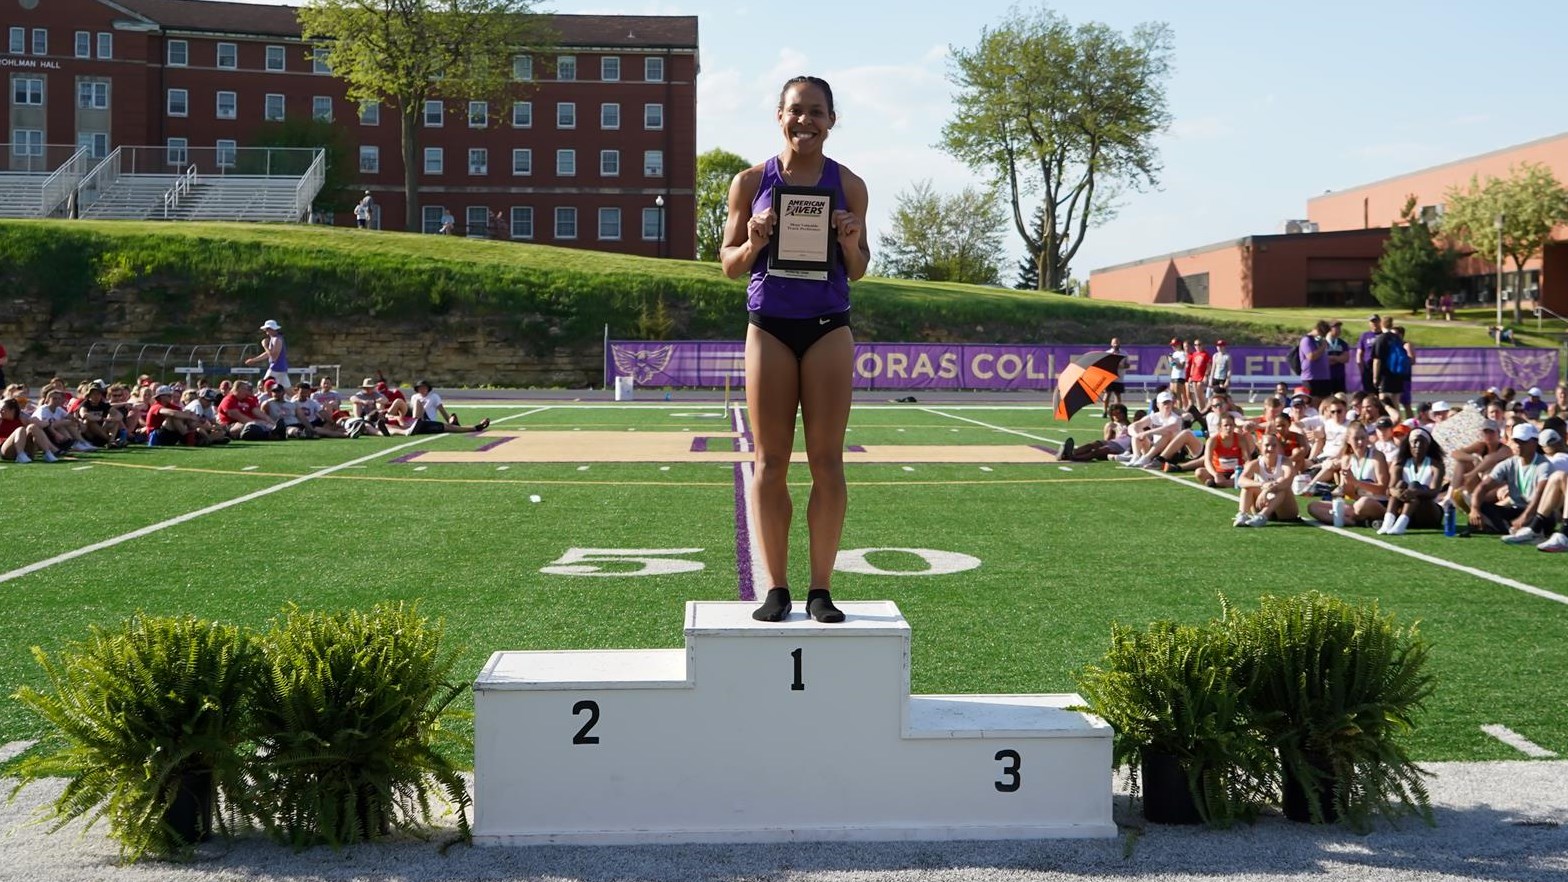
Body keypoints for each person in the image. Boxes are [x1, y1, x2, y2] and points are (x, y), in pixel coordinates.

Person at [719, 75, 869, 624]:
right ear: (778, 116)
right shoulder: (750, 181)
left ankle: (821, 589)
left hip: (828, 327)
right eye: (795, 111)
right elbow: (729, 265)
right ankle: (776, 587)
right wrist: (754, 240)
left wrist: (850, 242)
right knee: (770, 460)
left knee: (828, 460)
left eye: (815, 112)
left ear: (832, 120)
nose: (804, 121)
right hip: (770, 327)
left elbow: (859, 267)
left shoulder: (850, 184)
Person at [1469, 423, 1551, 536]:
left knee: (1544, 517)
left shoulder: (1544, 465)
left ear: (1535, 442)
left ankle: (1503, 527)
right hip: (1515, 509)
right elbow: (1483, 486)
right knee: (1482, 506)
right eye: (1516, 441)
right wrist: (1474, 509)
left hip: (1536, 510)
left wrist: (1525, 517)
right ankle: (1512, 528)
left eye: (1523, 441)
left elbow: (1540, 494)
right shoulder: (1509, 463)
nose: (1518, 445)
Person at [1235, 432, 1298, 527]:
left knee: (1281, 484)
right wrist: (1262, 485)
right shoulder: (1255, 463)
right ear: (1260, 446)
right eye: (1267, 445)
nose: (1270, 448)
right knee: (1247, 486)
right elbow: (1241, 481)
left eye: (1274, 445)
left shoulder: (1285, 462)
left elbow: (1287, 480)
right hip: (1262, 503)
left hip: (1285, 511)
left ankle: (1262, 516)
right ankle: (1242, 515)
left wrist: (1267, 490)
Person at [394, 380, 491, 435]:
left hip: (428, 421)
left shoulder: (434, 397)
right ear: (417, 389)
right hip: (416, 421)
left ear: (428, 388)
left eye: (424, 387)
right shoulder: (415, 397)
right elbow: (411, 409)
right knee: (409, 402)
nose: (422, 389)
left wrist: (450, 419)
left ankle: (476, 427)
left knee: (448, 427)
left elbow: (442, 411)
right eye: (420, 388)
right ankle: (411, 422)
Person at [0, 397, 60, 463]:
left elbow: (42, 426)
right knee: (20, 429)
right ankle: (20, 455)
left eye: (2, 409)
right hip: (7, 451)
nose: (0, 412)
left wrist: (41, 422)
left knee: (33, 426)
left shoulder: (22, 419)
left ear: (12, 410)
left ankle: (47, 453)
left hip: (27, 452)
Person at [245, 319, 291, 388]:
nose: (266, 332)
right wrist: (254, 360)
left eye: (267, 330)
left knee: (263, 386)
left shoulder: (277, 339)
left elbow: (273, 357)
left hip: (276, 368)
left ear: (271, 329)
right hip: (280, 368)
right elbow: (268, 354)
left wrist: (265, 345)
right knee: (287, 390)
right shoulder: (275, 338)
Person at [1298, 320, 1331, 404]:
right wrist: (1323, 347)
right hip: (1311, 378)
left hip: (1324, 377)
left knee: (1325, 403)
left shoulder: (1319, 341)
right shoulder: (1306, 340)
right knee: (1312, 403)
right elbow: (1311, 356)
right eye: (1322, 333)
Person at [1355, 314, 1382, 395]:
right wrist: (1361, 368)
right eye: (1372, 322)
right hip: (1368, 368)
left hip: (1381, 367)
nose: (1374, 323)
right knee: (1369, 392)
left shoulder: (1383, 335)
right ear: (1369, 323)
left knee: (1381, 393)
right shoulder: (1365, 335)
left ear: (1379, 322)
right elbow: (1359, 353)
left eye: (1376, 321)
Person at [1324, 320, 1350, 396]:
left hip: (1339, 376)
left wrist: (1333, 358)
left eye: (1339, 328)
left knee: (1341, 397)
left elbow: (1346, 358)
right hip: (1326, 376)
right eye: (1336, 328)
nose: (1339, 330)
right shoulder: (1322, 342)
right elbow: (1323, 360)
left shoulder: (1342, 343)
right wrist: (1338, 358)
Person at [1101, 338, 1126, 417]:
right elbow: (1103, 365)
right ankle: (1105, 411)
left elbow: (1128, 364)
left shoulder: (1124, 353)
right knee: (1107, 394)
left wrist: (1121, 366)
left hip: (1119, 377)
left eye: (1117, 343)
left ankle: (1117, 412)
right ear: (1111, 344)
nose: (1116, 344)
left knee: (1118, 395)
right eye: (1114, 343)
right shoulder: (1107, 353)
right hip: (1109, 377)